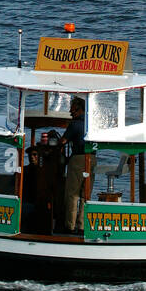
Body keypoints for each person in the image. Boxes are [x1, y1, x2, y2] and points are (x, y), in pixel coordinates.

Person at [59, 97, 87, 234]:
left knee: (72, 194)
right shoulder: (90, 123)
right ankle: (81, 226)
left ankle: (69, 226)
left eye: (72, 108)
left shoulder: (75, 124)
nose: (70, 111)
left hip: (78, 160)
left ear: (78, 108)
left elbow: (63, 141)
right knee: (85, 194)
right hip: (91, 159)